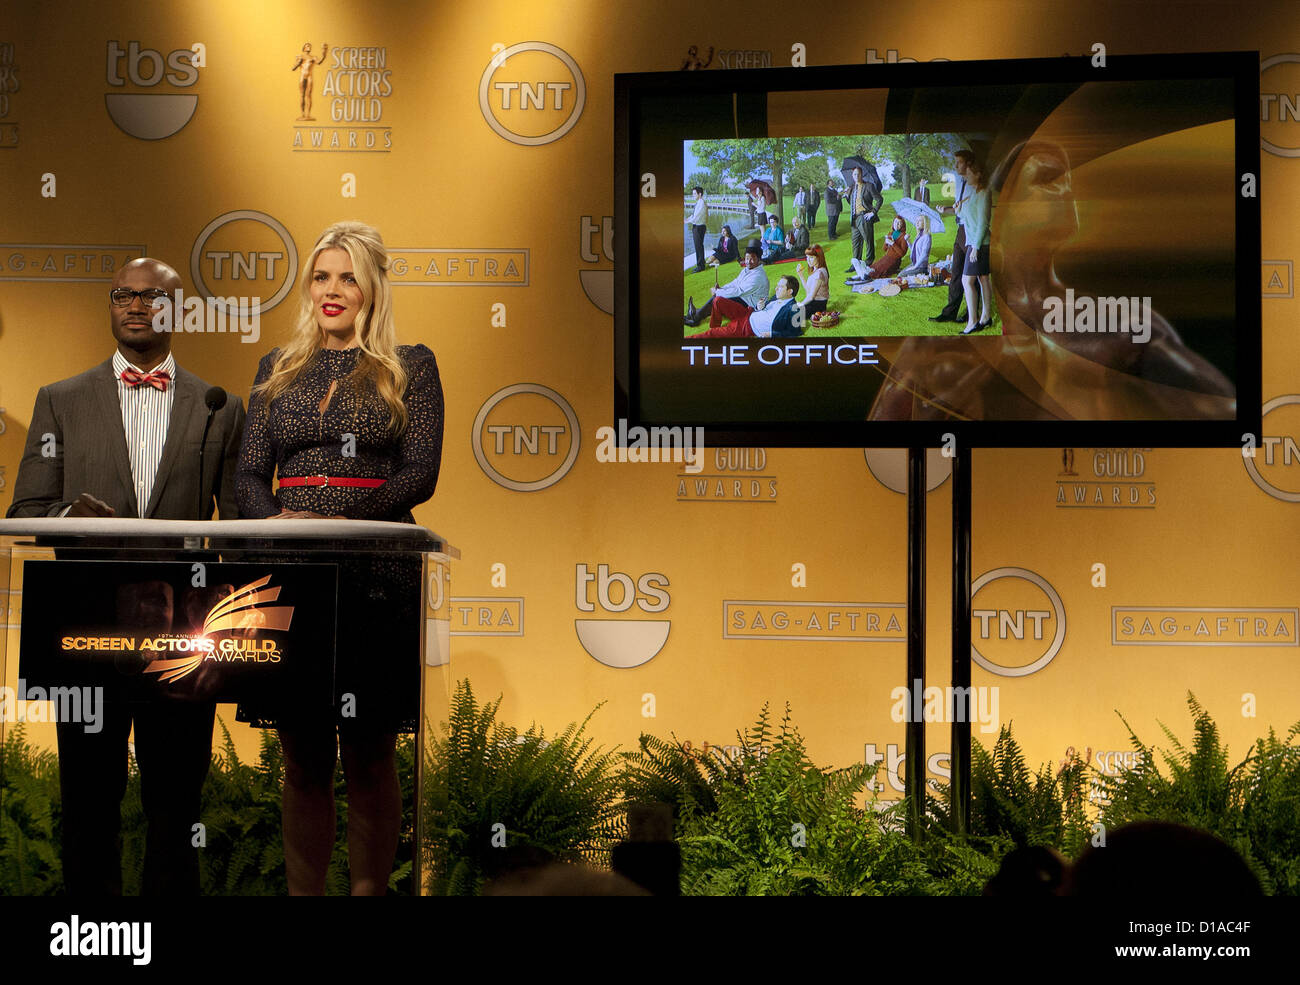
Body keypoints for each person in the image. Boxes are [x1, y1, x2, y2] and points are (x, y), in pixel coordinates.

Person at [6, 256, 247, 895]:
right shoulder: (60, 399)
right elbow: (25, 509)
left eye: (152, 297)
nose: (135, 305)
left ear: (179, 311)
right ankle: (93, 933)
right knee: (88, 799)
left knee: (176, 803)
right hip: (86, 629)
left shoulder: (220, 407)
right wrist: (67, 516)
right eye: (122, 295)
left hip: (186, 637)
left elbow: (237, 525)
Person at [235, 221, 444, 895]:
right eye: (322, 276)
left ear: (371, 288)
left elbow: (419, 474)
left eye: (348, 277)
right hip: (290, 575)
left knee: (369, 753)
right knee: (301, 757)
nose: (332, 290)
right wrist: (276, 524)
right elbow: (248, 474)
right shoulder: (277, 367)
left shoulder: (410, 366)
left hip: (374, 575)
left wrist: (342, 520)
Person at [929, 149, 974, 323]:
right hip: (960, 230)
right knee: (956, 272)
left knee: (971, 275)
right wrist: (947, 209)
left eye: (959, 162)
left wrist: (960, 207)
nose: (955, 166)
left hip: (971, 230)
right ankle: (949, 313)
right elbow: (958, 209)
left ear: (968, 164)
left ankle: (971, 313)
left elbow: (973, 207)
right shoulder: (960, 182)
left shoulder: (974, 183)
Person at [687, 274, 801, 338]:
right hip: (747, 313)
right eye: (777, 285)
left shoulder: (795, 309)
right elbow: (764, 308)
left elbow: (795, 332)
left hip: (748, 327)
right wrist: (759, 307)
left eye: (780, 287)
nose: (776, 288)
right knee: (718, 301)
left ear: (790, 291)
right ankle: (714, 326)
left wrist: (771, 334)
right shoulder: (777, 297)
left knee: (712, 334)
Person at [684, 244, 768, 327]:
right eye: (747, 258)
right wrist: (722, 288)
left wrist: (718, 292)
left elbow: (738, 291)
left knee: (718, 300)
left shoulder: (758, 276)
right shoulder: (748, 270)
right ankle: (696, 314)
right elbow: (735, 283)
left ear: (758, 259)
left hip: (749, 309)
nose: (748, 262)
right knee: (719, 296)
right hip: (743, 299)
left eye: (752, 259)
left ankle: (696, 316)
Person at [957, 158, 993, 334]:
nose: (966, 176)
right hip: (975, 242)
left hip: (979, 243)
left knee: (967, 280)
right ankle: (986, 317)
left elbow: (983, 223)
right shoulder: (974, 193)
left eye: (969, 173)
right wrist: (959, 209)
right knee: (983, 278)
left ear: (978, 175)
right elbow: (968, 218)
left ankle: (973, 321)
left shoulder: (984, 193)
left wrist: (976, 247)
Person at [847, 166, 884, 270]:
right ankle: (856, 263)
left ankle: (868, 262)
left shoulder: (868, 186)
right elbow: (852, 203)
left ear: (861, 175)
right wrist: (847, 195)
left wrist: (873, 212)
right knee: (856, 242)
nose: (856, 176)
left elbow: (879, 199)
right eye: (855, 174)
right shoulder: (852, 187)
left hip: (864, 217)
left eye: (858, 174)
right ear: (852, 175)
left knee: (868, 241)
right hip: (854, 218)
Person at [795, 244, 830, 321]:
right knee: (790, 310)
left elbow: (811, 296)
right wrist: (801, 275)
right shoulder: (816, 269)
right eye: (807, 257)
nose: (808, 260)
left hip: (818, 306)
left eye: (811, 257)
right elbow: (809, 291)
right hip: (813, 302)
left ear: (819, 257)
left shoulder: (819, 273)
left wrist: (800, 304)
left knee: (793, 315)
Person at [685, 186, 708, 272]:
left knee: (698, 247)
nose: (693, 195)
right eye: (693, 194)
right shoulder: (699, 202)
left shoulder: (701, 203)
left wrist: (687, 221)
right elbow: (694, 215)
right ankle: (701, 263)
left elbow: (696, 217)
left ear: (700, 194)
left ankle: (700, 266)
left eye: (695, 194)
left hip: (699, 227)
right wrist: (687, 219)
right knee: (698, 246)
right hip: (697, 226)